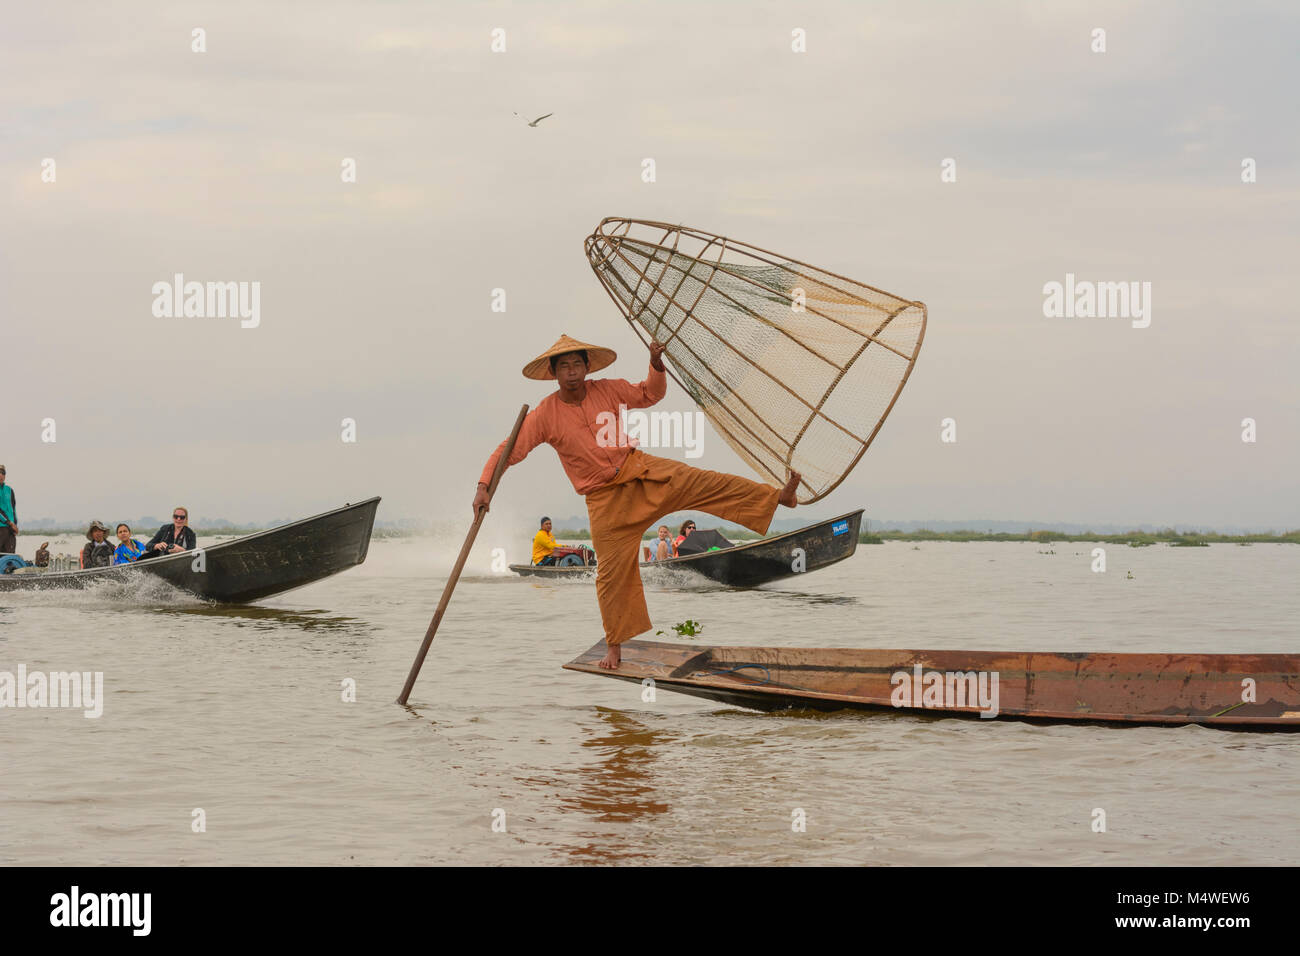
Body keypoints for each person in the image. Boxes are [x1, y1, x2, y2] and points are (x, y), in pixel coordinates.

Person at [474, 333, 800, 670]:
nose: (571, 372)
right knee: (611, 575)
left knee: (703, 481)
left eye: (576, 364)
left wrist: (656, 365)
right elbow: (510, 450)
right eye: (563, 367)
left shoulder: (607, 389)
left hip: (641, 472)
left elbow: (650, 394)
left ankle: (778, 497)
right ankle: (614, 646)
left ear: (587, 367)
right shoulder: (545, 414)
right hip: (603, 502)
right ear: (554, 373)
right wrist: (485, 485)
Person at [0, 465, 16, 555]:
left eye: (3, 473)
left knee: (10, 558)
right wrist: (9, 522)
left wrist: (15, 525)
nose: (1, 475)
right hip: (1, 528)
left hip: (10, 529)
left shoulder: (9, 490)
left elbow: (13, 510)